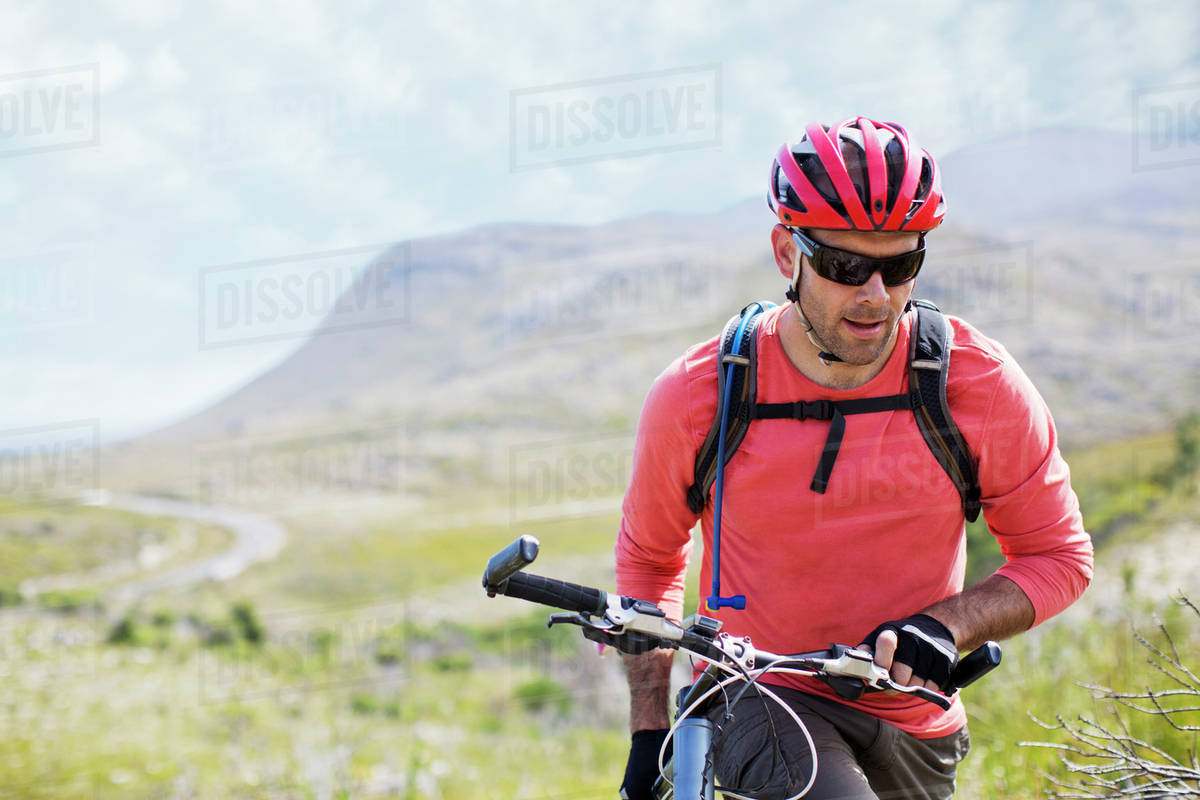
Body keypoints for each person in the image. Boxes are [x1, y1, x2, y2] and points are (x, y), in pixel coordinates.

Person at [613, 117, 1094, 799]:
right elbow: (650, 563)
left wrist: (947, 625)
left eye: (900, 266)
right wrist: (647, 732)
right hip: (760, 695)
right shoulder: (699, 395)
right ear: (788, 253)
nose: (875, 295)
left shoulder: (974, 384)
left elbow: (1059, 557)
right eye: (844, 267)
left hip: (916, 724)